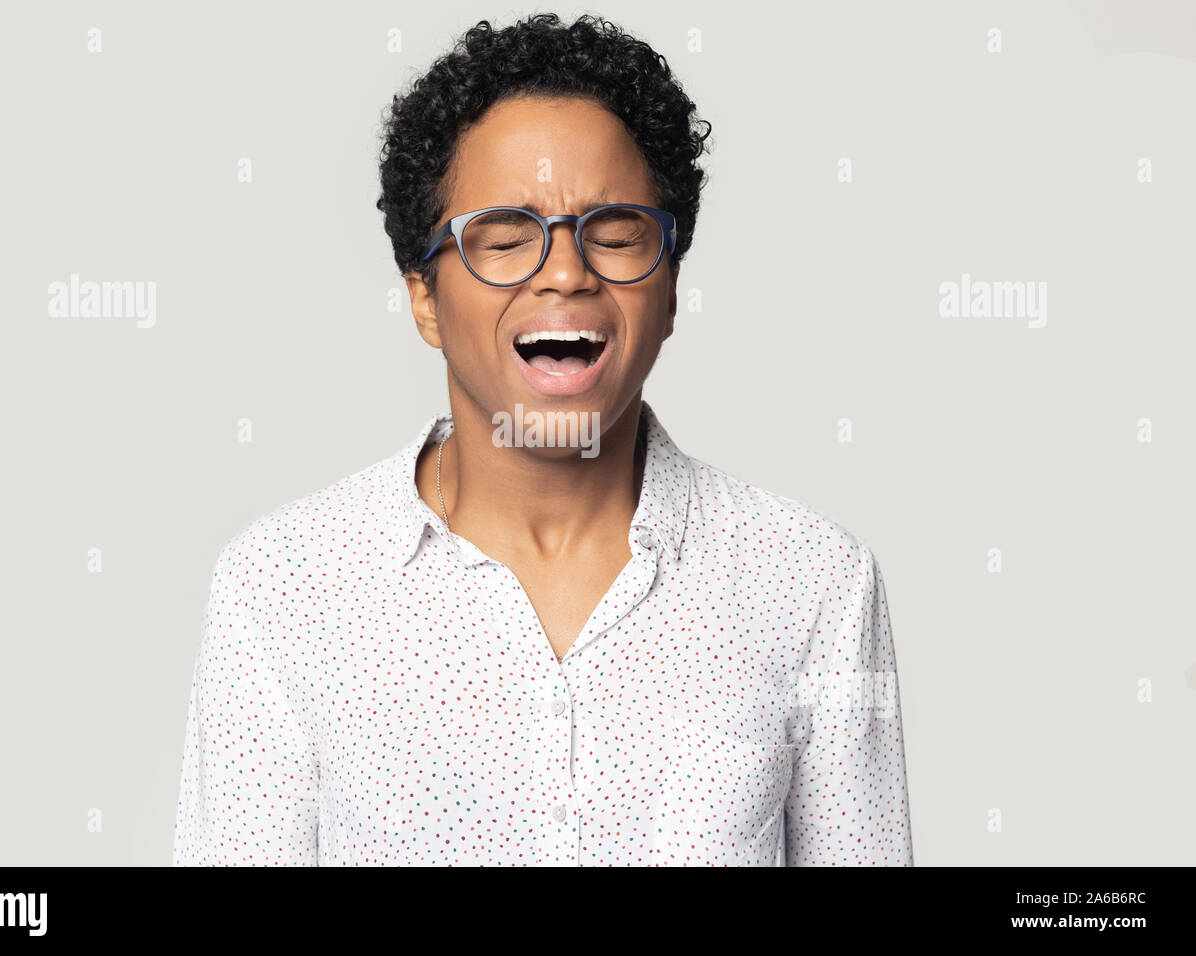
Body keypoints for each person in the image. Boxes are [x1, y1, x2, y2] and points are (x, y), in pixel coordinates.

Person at [173, 12, 913, 866]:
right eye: (506, 238)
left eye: (616, 234)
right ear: (424, 298)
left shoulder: (815, 582)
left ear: (671, 290)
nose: (566, 272)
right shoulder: (280, 589)